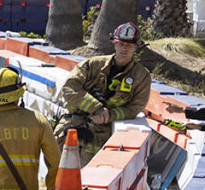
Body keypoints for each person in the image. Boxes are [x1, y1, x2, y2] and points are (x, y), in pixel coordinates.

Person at [57, 21, 152, 149]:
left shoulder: (141, 76)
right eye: (121, 44)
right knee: (55, 162)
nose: (124, 49)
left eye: (129, 46)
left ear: (135, 47)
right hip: (71, 124)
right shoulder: (93, 64)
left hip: (100, 135)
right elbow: (69, 88)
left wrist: (108, 116)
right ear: (114, 43)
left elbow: (135, 108)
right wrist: (96, 107)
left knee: (89, 168)